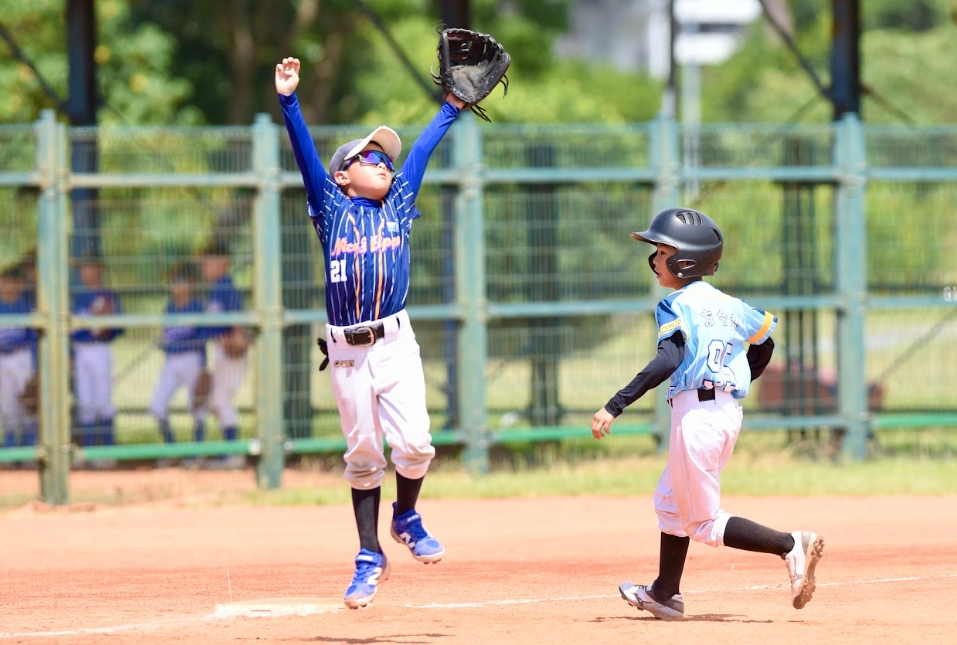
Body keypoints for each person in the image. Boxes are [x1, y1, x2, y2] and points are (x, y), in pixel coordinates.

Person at [276, 55, 467, 609]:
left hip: (395, 343)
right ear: (342, 175)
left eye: (387, 159)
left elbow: (424, 150)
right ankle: (368, 555)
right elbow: (305, 156)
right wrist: (289, 102)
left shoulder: (400, 204)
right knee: (363, 454)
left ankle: (405, 514)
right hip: (345, 352)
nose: (384, 163)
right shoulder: (330, 207)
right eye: (370, 157)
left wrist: (451, 108)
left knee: (415, 444)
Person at [591, 207, 824, 620]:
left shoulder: (674, 304)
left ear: (684, 261)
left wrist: (615, 404)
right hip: (723, 413)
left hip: (697, 419)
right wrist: (736, 380)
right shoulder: (730, 305)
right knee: (669, 503)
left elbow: (669, 358)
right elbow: (765, 343)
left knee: (702, 522)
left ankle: (791, 545)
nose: (654, 260)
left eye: (660, 252)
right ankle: (665, 593)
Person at [198, 241, 249, 469]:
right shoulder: (217, 287)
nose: (204, 266)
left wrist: (238, 339)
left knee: (220, 400)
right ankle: (231, 452)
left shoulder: (226, 286)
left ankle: (233, 454)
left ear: (224, 263)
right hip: (221, 349)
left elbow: (237, 319)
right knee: (217, 402)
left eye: (209, 261)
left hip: (230, 351)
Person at [149, 262, 207, 448]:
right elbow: (164, 337)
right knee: (157, 405)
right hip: (172, 361)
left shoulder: (197, 306)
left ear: (190, 283)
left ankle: (197, 451)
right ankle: (171, 448)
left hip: (192, 359)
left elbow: (203, 337)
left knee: (197, 408)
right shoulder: (169, 308)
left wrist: (202, 369)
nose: (173, 284)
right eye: (172, 281)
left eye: (178, 280)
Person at [70, 252, 124, 449]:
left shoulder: (107, 295)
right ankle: (89, 451)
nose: (83, 272)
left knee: (103, 402)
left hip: (100, 349)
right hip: (81, 350)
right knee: (85, 404)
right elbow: (69, 330)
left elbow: (119, 328)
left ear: (99, 269)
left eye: (88, 267)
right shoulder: (77, 297)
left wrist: (104, 323)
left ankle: (107, 451)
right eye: (81, 268)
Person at [0, 264, 38, 452]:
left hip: (22, 357)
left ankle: (30, 450)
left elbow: (34, 339)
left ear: (19, 284)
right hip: (2, 359)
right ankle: (10, 451)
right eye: (2, 281)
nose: (5, 285)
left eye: (9, 281)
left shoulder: (25, 304)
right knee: (6, 406)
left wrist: (35, 369)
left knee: (28, 405)